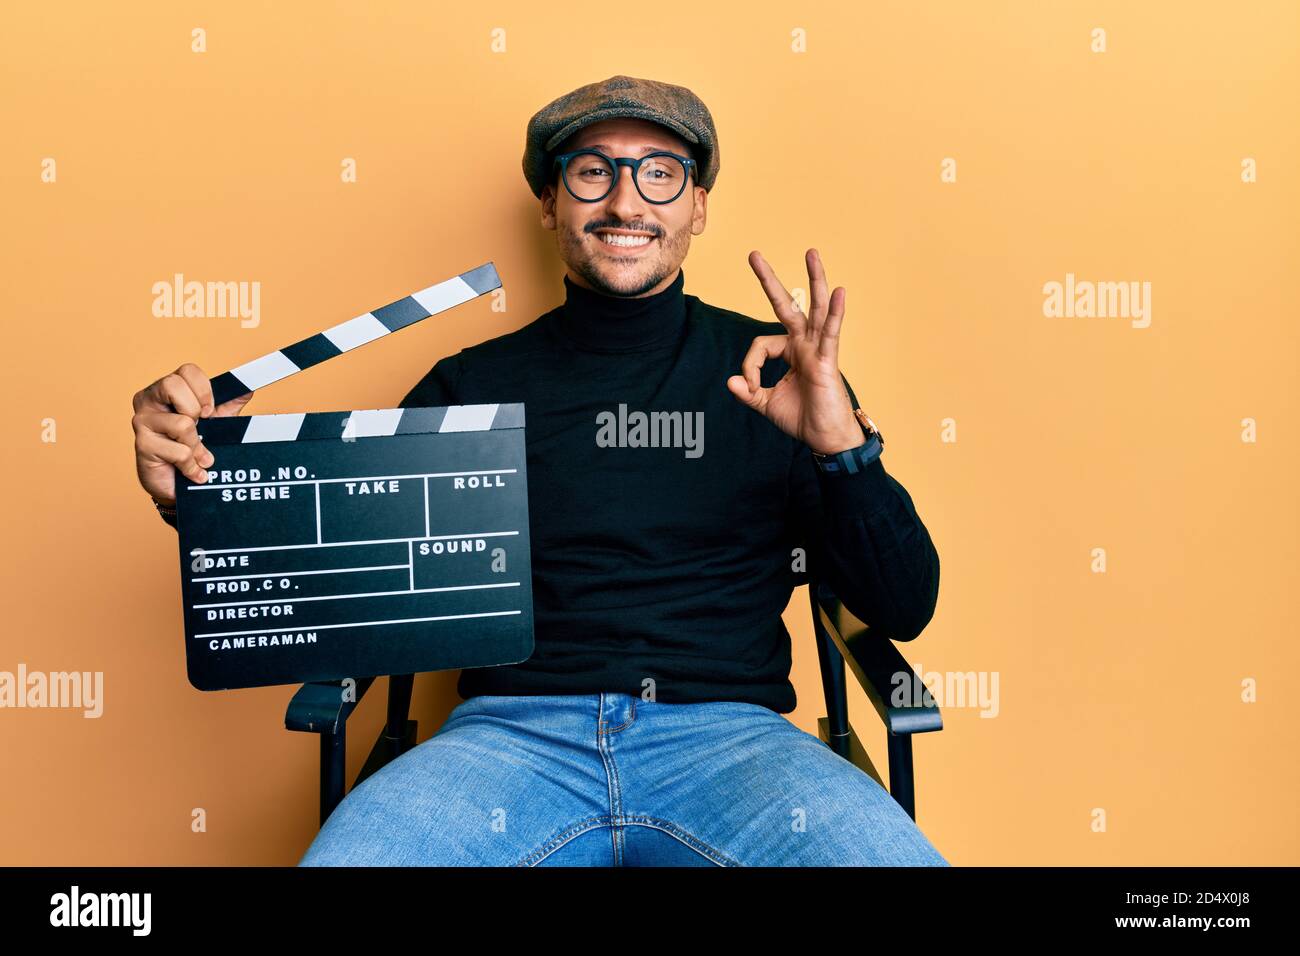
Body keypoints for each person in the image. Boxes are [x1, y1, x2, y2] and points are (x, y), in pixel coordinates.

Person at [131, 75, 949, 866]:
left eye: (660, 174)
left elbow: (903, 606)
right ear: (550, 201)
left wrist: (843, 451)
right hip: (504, 744)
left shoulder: (780, 373)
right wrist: (201, 490)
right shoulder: (469, 386)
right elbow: (343, 578)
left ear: (698, 206)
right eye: (594, 172)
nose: (626, 203)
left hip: (734, 743)